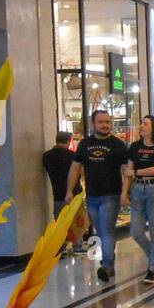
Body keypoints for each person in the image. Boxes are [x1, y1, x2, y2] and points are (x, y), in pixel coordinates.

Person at [67, 108, 129, 282]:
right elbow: (75, 168)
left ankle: (107, 265)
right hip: (92, 196)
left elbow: (126, 171)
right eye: (101, 122)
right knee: (102, 231)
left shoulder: (118, 145)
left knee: (107, 230)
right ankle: (109, 263)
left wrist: (125, 193)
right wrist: (69, 190)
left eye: (108, 122)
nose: (105, 125)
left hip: (111, 195)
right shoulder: (85, 144)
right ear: (93, 123)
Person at [122, 115, 154, 284]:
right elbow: (128, 170)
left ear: (153, 128)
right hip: (137, 189)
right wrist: (124, 193)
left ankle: (153, 269)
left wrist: (135, 173)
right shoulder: (134, 147)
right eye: (141, 123)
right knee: (136, 231)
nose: (141, 126)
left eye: (145, 124)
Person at [43, 130, 85, 256]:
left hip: (57, 194)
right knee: (77, 221)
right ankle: (78, 247)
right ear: (69, 141)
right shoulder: (73, 156)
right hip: (75, 193)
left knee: (60, 222)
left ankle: (61, 248)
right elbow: (82, 172)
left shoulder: (47, 156)